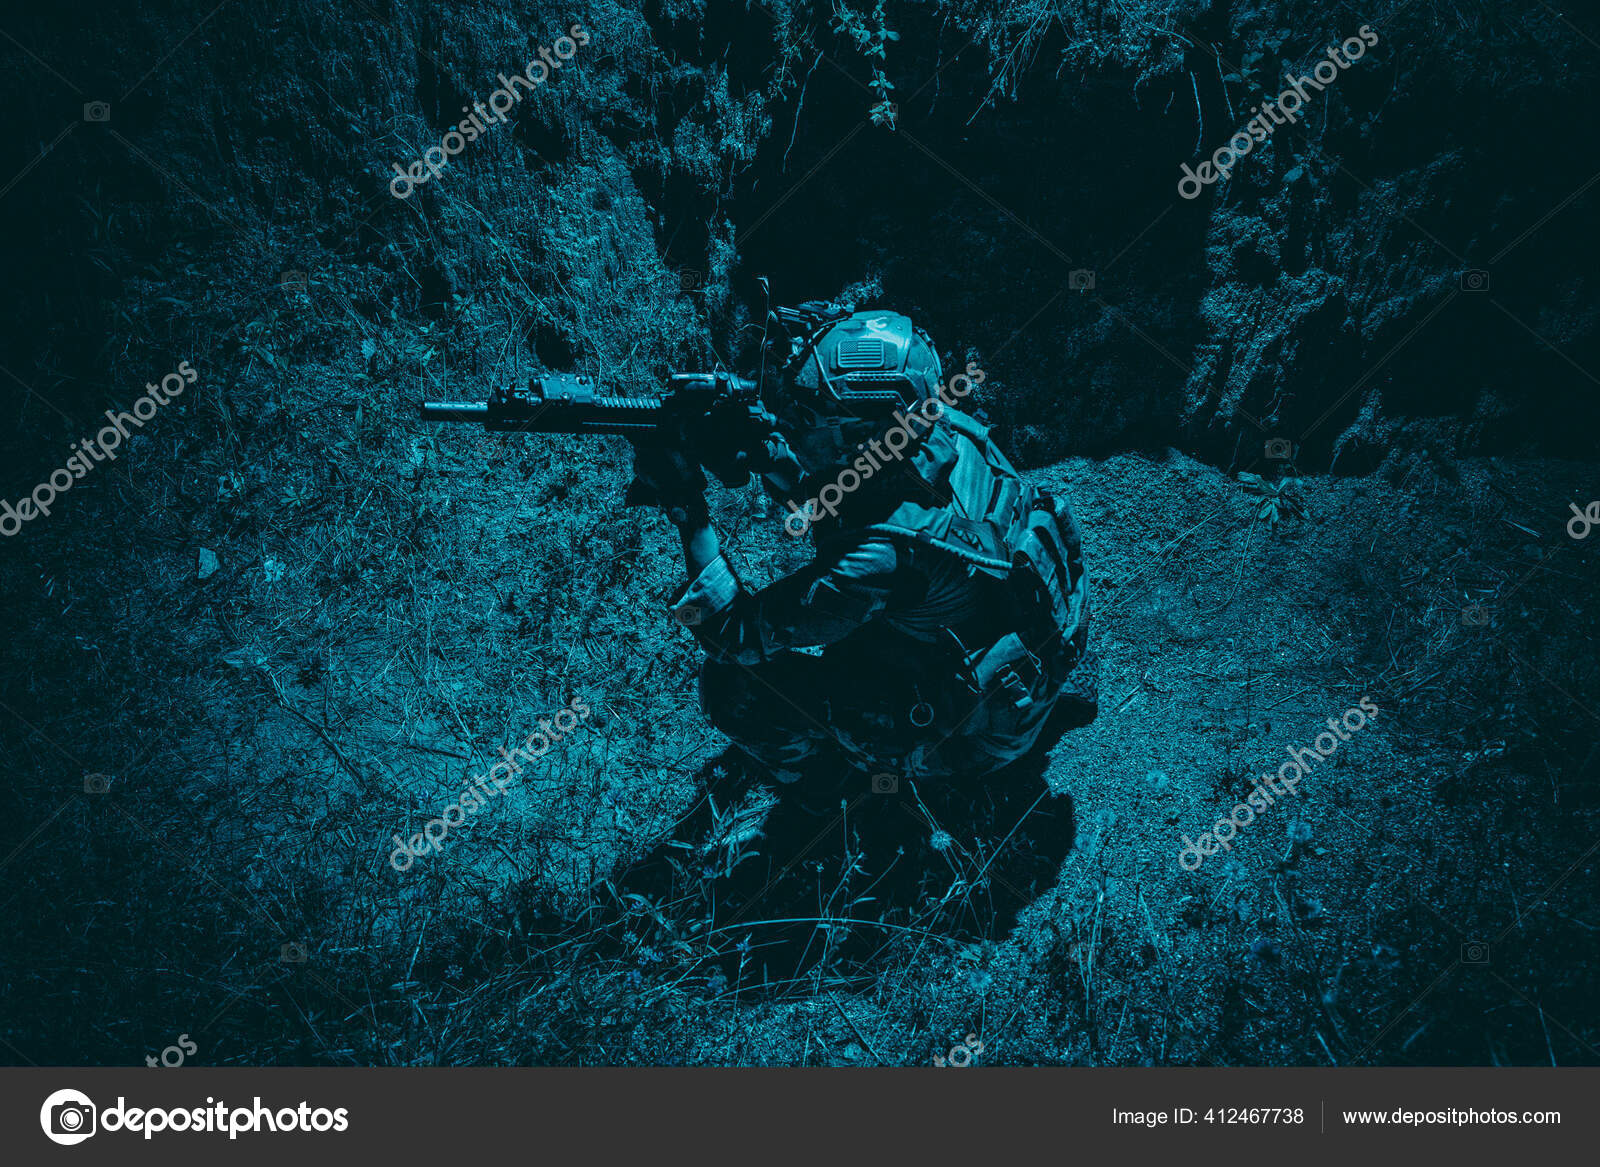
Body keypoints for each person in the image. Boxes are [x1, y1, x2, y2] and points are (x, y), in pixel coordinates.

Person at [631, 303, 1096, 792]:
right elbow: (840, 496)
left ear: (859, 438)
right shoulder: (934, 427)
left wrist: (683, 501)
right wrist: (767, 457)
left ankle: (824, 787)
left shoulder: (879, 556)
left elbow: (729, 631)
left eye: (805, 417)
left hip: (978, 735)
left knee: (730, 688)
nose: (786, 422)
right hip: (1021, 628)